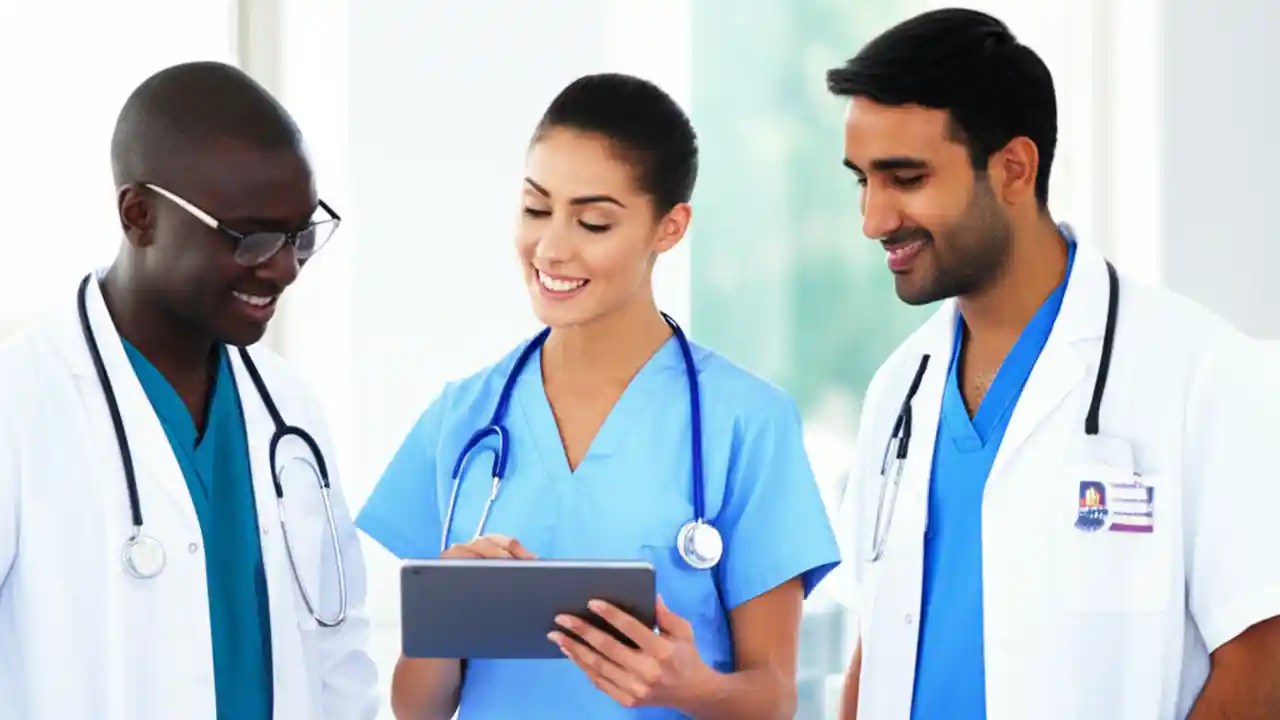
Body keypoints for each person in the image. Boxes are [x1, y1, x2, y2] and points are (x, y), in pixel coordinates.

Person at [826, 9, 1280, 720]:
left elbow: (1262, 659)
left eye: (904, 178)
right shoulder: (899, 390)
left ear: (1013, 168)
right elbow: (877, 640)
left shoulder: (1201, 373)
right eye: (863, 181)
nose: (873, 218)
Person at [355, 72, 841, 719]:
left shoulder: (746, 423)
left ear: (669, 228)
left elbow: (774, 699)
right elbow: (418, 708)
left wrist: (692, 688)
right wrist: (445, 613)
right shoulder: (462, 418)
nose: (552, 247)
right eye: (535, 209)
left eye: (592, 221)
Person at [0, 61, 377, 719]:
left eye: (300, 237)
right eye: (252, 238)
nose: (284, 269)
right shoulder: (20, 404)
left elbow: (337, 653)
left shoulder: (287, 407)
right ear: (139, 215)